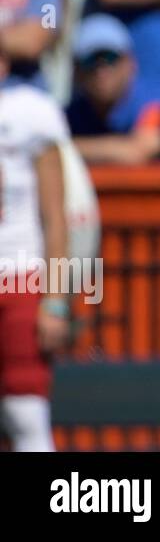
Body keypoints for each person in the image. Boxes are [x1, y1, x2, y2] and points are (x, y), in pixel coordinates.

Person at [0, 53, 71, 452]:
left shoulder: (32, 111)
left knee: (25, 411)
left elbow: (55, 216)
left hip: (19, 273)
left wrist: (56, 300)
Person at [64, 14, 160, 165]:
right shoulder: (72, 114)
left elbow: (139, 151)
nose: (101, 71)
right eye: (90, 60)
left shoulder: (153, 101)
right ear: (77, 71)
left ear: (130, 63)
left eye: (110, 58)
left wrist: (65, 149)